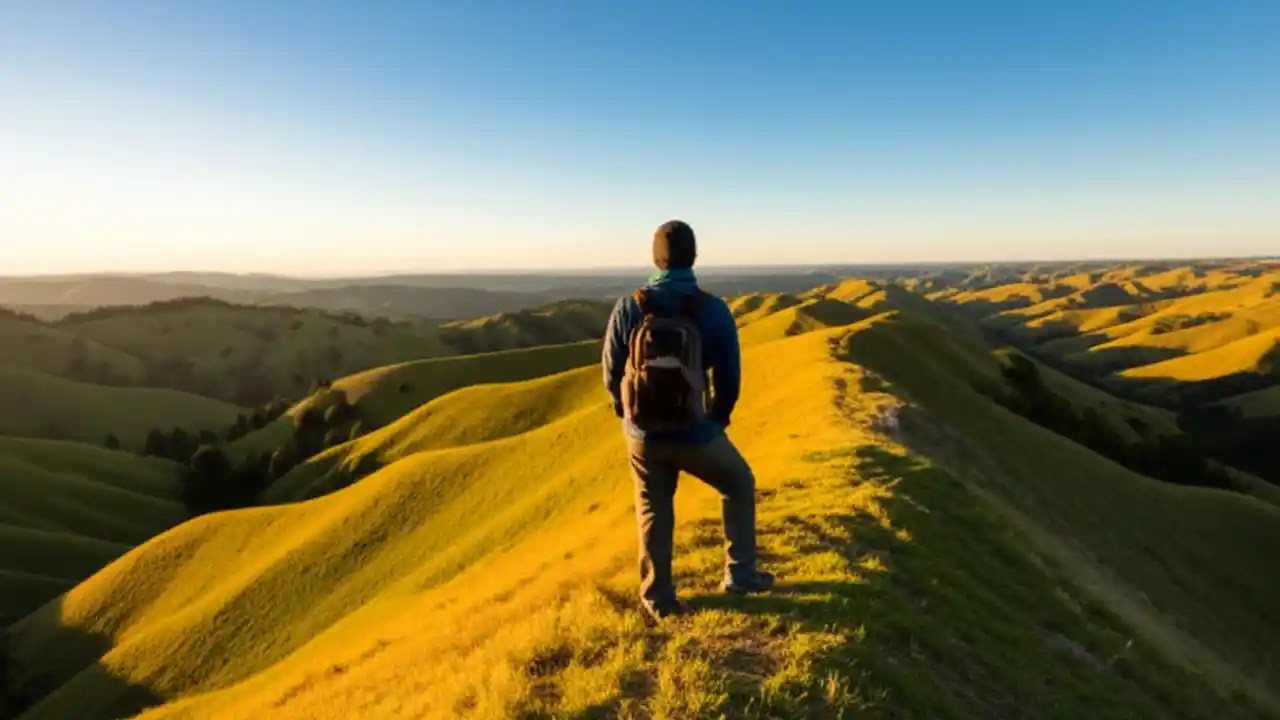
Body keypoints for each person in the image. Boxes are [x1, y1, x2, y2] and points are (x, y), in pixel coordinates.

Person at [603, 219, 774, 621]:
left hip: (644, 435)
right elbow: (729, 380)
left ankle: (658, 598)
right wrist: (715, 421)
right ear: (693, 257)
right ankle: (740, 575)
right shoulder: (712, 310)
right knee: (737, 481)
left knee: (652, 505)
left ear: (655, 257)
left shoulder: (630, 306)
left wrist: (629, 417)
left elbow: (611, 373)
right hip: (695, 432)